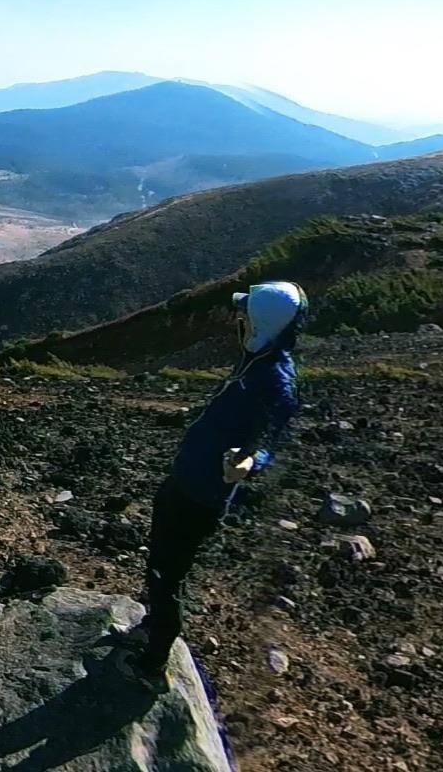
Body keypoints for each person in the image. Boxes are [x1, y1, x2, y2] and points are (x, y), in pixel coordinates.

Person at [128, 280, 307, 679]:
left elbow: (277, 440)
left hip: (201, 494)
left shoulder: (275, 380)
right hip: (185, 478)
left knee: (168, 570)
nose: (237, 318)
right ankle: (151, 628)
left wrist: (251, 464)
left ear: (262, 322)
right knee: (160, 560)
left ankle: (154, 656)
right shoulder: (254, 361)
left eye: (245, 313)